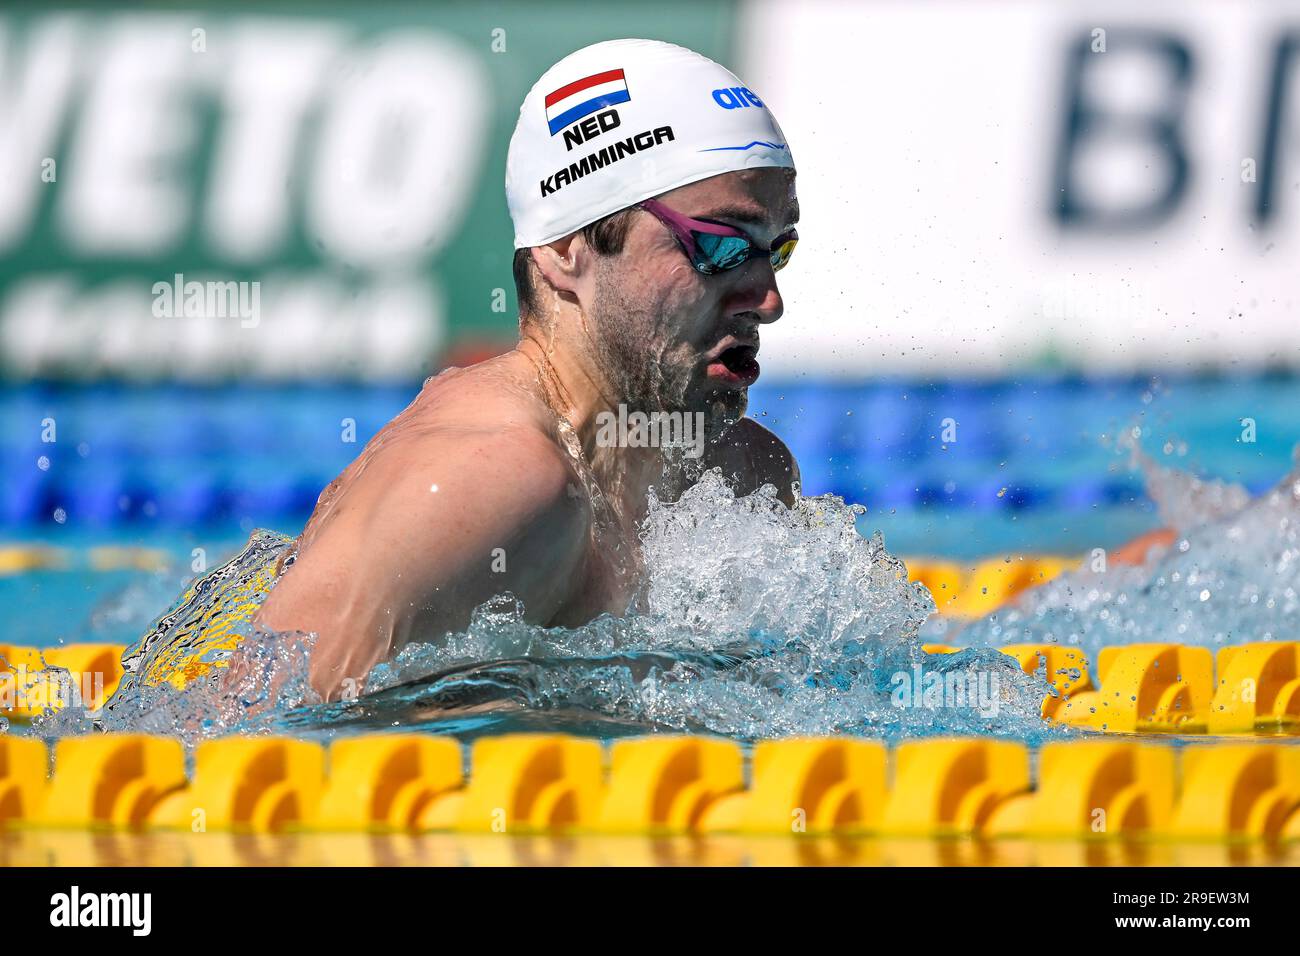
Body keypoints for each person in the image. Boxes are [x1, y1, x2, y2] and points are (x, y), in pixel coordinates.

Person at [254, 39, 802, 701]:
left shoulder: (737, 476)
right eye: (718, 246)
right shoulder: (487, 484)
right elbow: (240, 749)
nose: (768, 300)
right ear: (567, 250)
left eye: (779, 248)